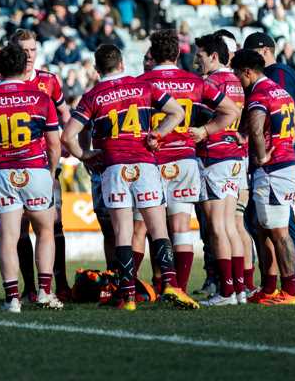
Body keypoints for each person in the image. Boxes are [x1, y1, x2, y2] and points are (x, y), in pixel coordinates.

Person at [61, 45, 198, 310]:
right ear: (122, 64)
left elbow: (68, 136)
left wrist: (85, 155)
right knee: (158, 227)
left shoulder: (93, 95)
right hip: (145, 163)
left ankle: (128, 296)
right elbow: (177, 113)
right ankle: (171, 284)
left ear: (97, 69)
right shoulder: (143, 86)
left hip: (113, 167)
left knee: (123, 230)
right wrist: (157, 134)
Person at [138, 30, 238, 292]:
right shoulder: (194, 81)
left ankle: (133, 289)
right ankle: (178, 289)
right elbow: (231, 110)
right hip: (185, 158)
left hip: (151, 160)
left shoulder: (141, 82)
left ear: (153, 54)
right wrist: (205, 131)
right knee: (181, 225)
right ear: (175, 53)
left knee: (142, 227)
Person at [0, 45, 62, 312]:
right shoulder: (41, 98)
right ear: (25, 67)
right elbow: (54, 144)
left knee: (8, 238)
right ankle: (44, 292)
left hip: (2, 172)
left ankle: (12, 299)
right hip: (35, 170)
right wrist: (51, 172)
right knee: (45, 231)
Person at [231, 49, 295, 306]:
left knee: (279, 232)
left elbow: (258, 130)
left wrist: (261, 156)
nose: (237, 80)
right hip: (286, 163)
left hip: (273, 169)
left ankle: (291, 291)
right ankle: (270, 287)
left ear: (247, 71)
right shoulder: (279, 91)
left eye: (237, 74)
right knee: (263, 229)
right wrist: (286, 144)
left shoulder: (259, 93)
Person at [9, 29, 72, 301]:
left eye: (32, 50)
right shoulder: (2, 82)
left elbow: (65, 111)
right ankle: (29, 287)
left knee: (54, 223)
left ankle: (61, 282)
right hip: (14, 166)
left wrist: (66, 139)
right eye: (23, 50)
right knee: (21, 227)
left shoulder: (48, 81)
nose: (29, 55)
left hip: (47, 164)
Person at [190, 34, 247, 306]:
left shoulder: (210, 83)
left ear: (213, 56)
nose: (196, 61)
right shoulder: (237, 82)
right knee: (231, 227)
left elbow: (215, 116)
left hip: (214, 157)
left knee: (216, 227)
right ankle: (239, 289)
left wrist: (202, 130)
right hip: (236, 158)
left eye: (200, 56)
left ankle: (225, 291)